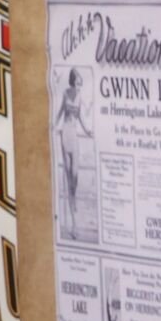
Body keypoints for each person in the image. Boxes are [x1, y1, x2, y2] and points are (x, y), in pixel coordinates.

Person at [56, 68, 93, 238]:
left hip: (75, 137)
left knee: (75, 176)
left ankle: (73, 200)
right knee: (69, 177)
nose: (79, 86)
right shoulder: (65, 94)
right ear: (73, 81)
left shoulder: (79, 97)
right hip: (65, 135)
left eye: (81, 83)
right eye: (78, 82)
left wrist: (87, 131)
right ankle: (74, 224)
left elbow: (81, 119)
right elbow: (60, 113)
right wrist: (54, 126)